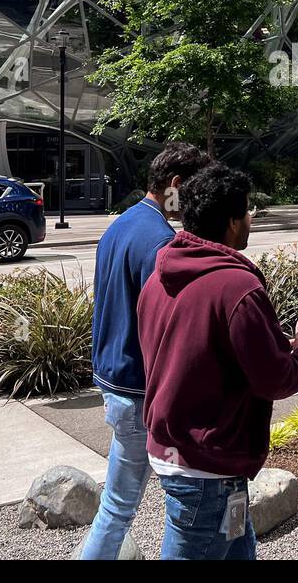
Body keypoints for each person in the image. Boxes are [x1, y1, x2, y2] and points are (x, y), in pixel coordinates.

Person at [137, 163, 298, 560]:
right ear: (233, 222)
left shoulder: (160, 273)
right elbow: (273, 378)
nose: (251, 218)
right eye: (248, 210)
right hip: (206, 466)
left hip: (181, 454)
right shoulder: (238, 287)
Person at [78, 141, 208, 561]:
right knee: (178, 503)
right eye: (192, 190)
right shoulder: (159, 242)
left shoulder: (121, 225)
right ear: (174, 185)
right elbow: (166, 328)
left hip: (114, 381)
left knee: (116, 504)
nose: (193, 201)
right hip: (138, 391)